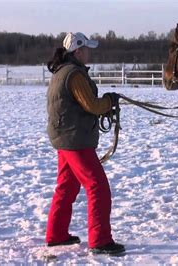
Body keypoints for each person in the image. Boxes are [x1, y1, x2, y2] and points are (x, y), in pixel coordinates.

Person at [45, 32, 124, 255]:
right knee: (97, 186)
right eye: (86, 49)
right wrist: (110, 101)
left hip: (65, 138)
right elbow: (92, 105)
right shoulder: (75, 75)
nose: (89, 52)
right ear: (77, 51)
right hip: (75, 140)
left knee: (67, 187)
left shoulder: (62, 72)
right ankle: (100, 240)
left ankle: (57, 234)